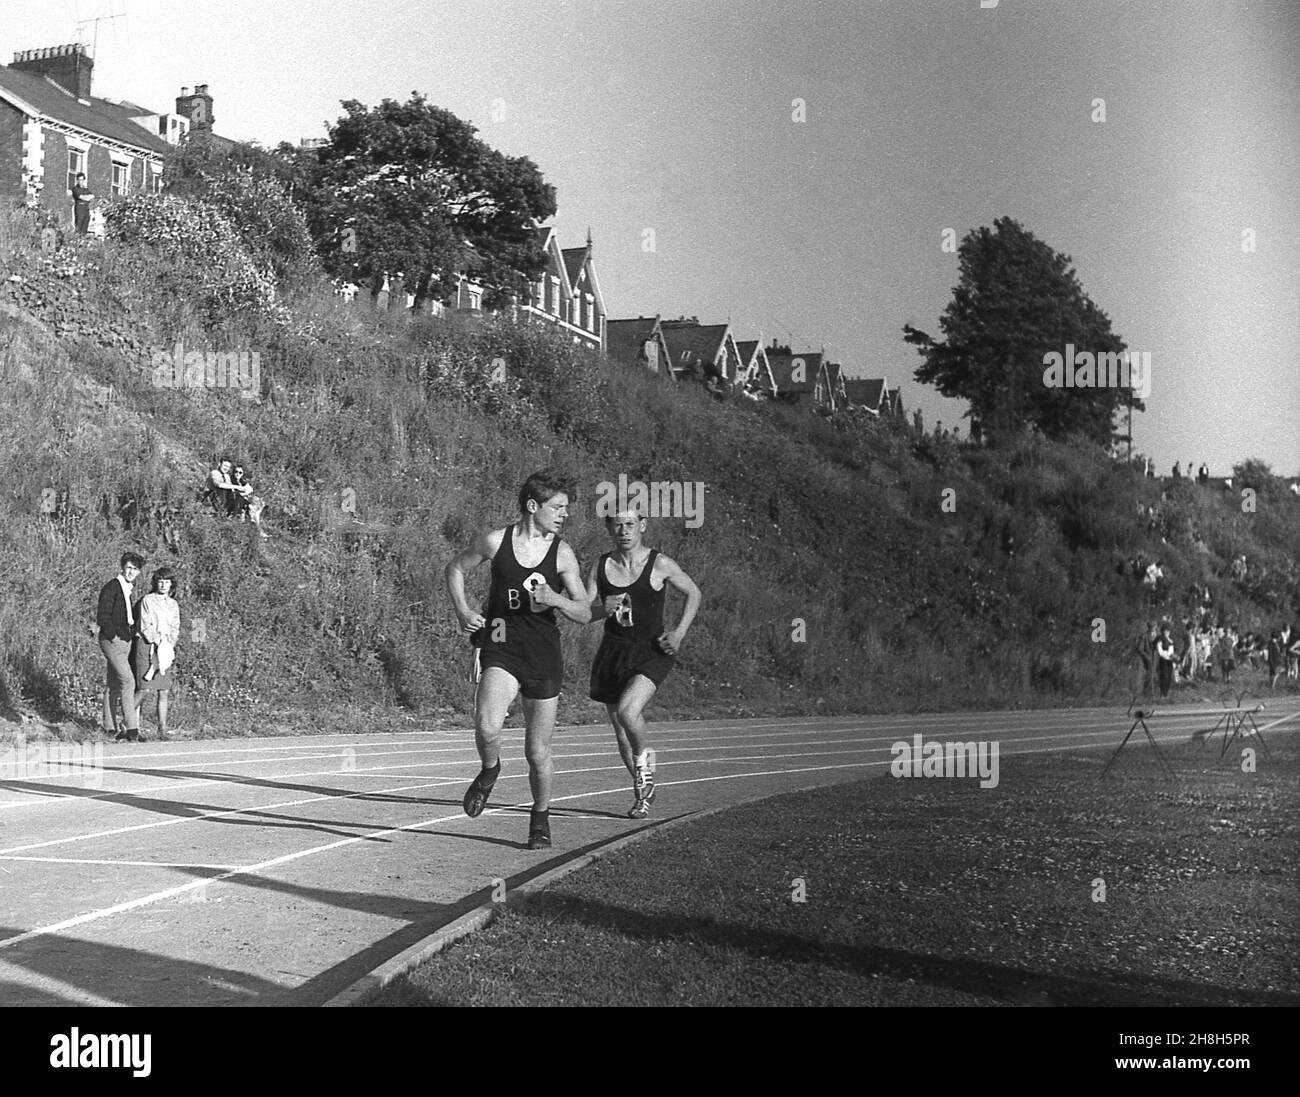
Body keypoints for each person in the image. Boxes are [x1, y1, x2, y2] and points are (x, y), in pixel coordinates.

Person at [444, 470, 588, 851]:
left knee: (537, 752)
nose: (564, 515)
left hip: (543, 652)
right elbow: (455, 568)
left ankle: (539, 819)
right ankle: (490, 769)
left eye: (566, 509)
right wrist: (462, 610)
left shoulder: (563, 552)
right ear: (532, 506)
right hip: (500, 641)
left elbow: (586, 611)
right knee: (487, 727)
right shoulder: (496, 541)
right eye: (558, 507)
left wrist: (556, 600)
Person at [571, 509, 701, 818]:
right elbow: (586, 612)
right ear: (609, 529)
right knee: (620, 731)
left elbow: (693, 592)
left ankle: (645, 770)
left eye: (630, 524)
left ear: (642, 525)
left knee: (630, 712)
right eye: (617, 525)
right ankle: (643, 791)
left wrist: (679, 632)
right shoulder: (601, 566)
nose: (624, 531)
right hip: (613, 652)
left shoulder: (660, 563)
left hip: (651, 651)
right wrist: (604, 608)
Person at [97, 552, 143, 741]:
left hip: (125, 640)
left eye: (135, 569)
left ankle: (109, 727)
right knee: (128, 681)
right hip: (112, 640)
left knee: (114, 683)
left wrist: (130, 635)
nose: (131, 571)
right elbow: (103, 616)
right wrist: (114, 635)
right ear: (122, 567)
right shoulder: (112, 587)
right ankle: (132, 730)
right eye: (129, 567)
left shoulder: (127, 588)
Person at [130, 568, 181, 738]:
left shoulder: (173, 604)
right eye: (160, 581)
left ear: (171, 584)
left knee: (163, 690)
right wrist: (157, 640)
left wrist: (169, 644)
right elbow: (145, 625)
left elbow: (175, 626)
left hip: (165, 648)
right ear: (155, 583)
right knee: (144, 688)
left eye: (167, 582)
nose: (163, 585)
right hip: (147, 645)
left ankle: (162, 729)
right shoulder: (147, 601)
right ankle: (128, 724)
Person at [1133, 620, 1157, 697]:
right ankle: (1148, 693)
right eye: (1151, 627)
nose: (1153, 628)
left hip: (1158, 657)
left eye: (1154, 627)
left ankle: (1153, 693)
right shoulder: (1144, 636)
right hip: (1149, 658)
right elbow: (1139, 648)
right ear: (1149, 627)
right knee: (1150, 675)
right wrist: (1146, 656)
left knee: (1155, 675)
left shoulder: (1157, 635)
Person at [1155, 623, 1176, 699]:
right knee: (1164, 676)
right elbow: (1160, 652)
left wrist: (1174, 657)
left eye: (1168, 630)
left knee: (1169, 677)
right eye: (1165, 630)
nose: (1167, 632)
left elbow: (1172, 650)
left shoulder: (1171, 640)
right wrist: (1168, 655)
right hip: (1164, 660)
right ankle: (1162, 694)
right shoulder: (1160, 640)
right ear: (1162, 631)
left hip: (1170, 660)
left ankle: (1166, 693)